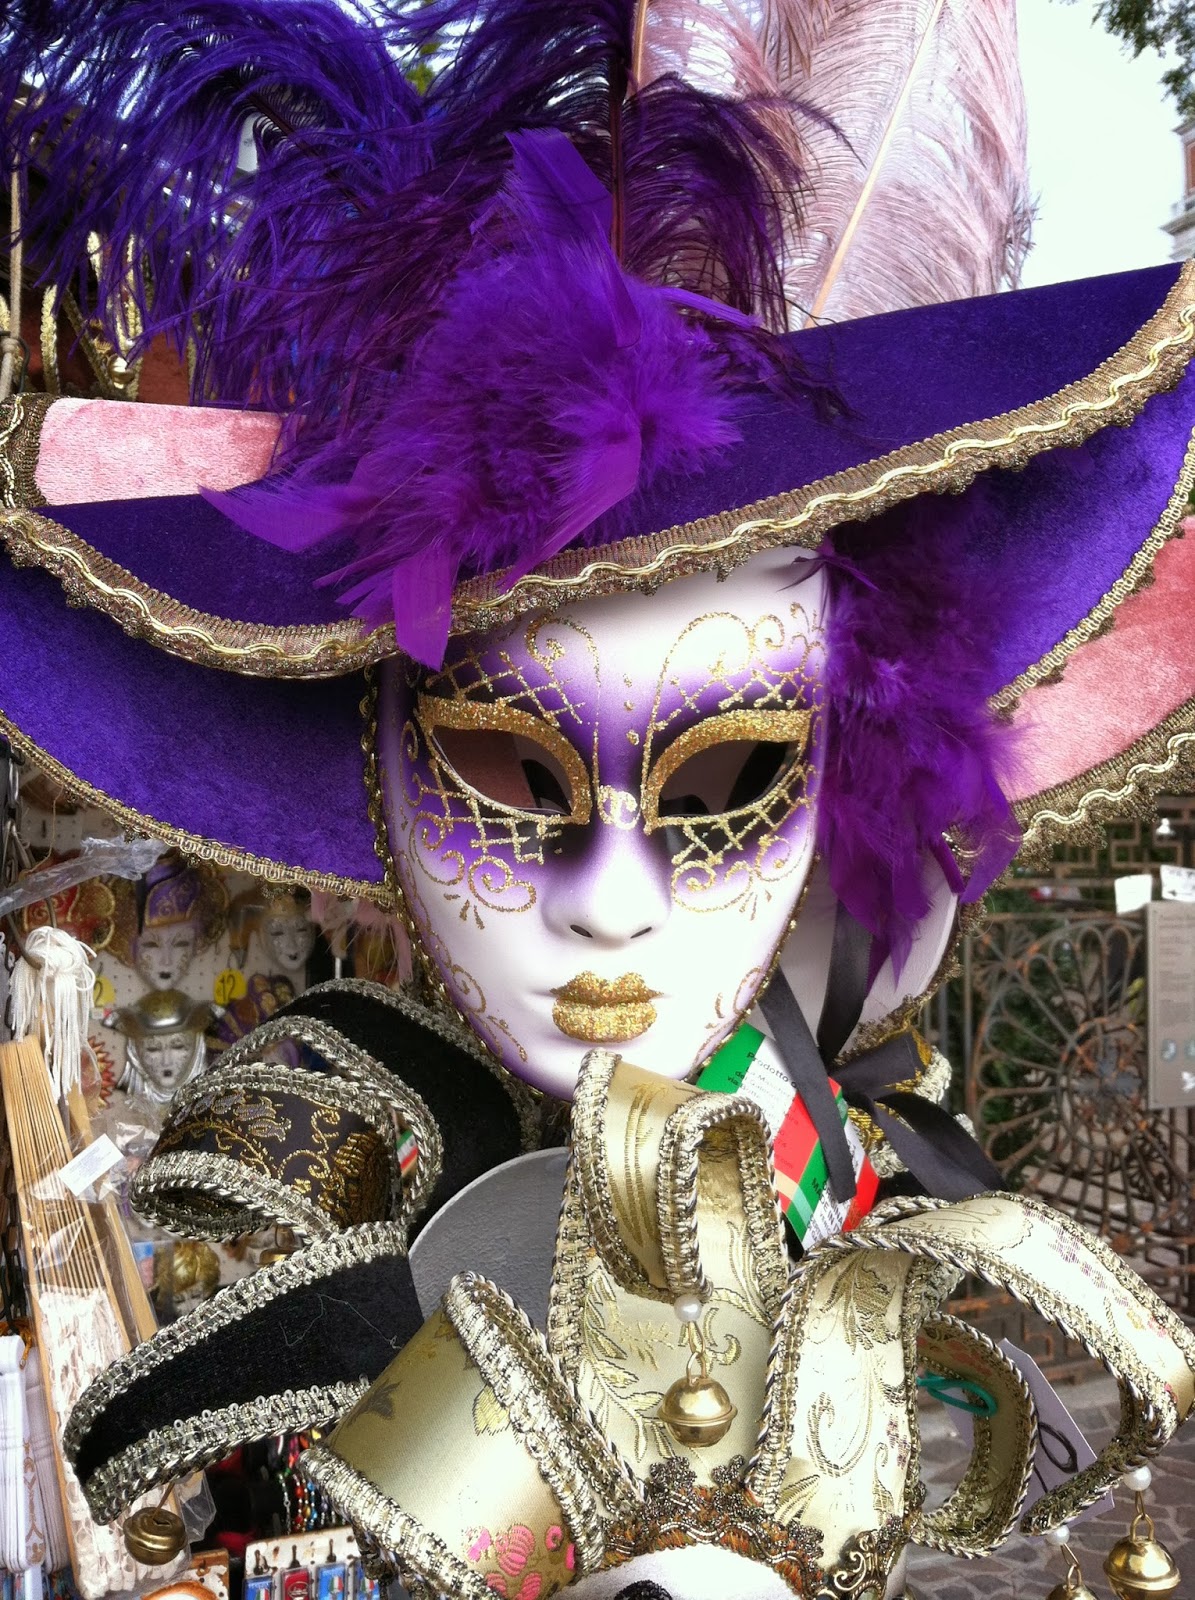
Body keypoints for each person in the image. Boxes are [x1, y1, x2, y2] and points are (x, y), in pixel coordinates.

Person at [2, 3, 1194, 1595]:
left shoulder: (834, 1177)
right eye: (507, 767)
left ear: (838, 754)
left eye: (727, 776)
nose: (612, 900)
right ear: (377, 751)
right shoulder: (339, 1176)